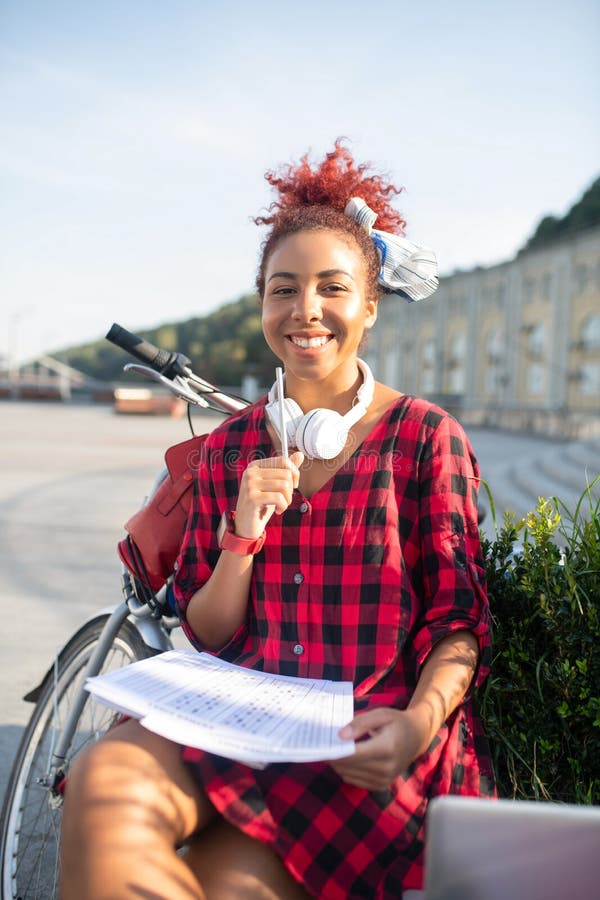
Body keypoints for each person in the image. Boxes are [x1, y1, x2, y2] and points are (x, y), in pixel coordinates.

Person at [61, 142, 495, 899]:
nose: (305, 310)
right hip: (246, 716)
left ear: (368, 305)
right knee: (105, 779)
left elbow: (459, 617)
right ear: (261, 303)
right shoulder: (230, 447)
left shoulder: (426, 436)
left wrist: (419, 724)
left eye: (332, 287)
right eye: (282, 288)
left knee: (233, 884)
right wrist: (241, 537)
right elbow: (209, 632)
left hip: (366, 733)